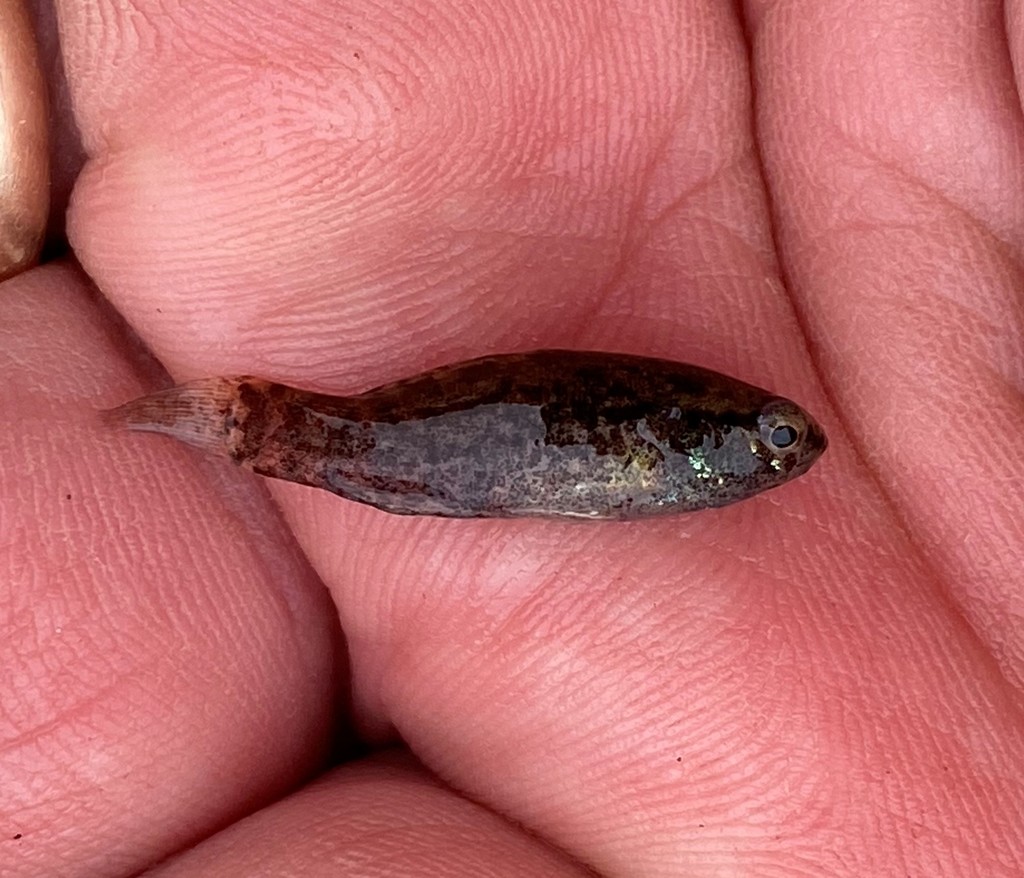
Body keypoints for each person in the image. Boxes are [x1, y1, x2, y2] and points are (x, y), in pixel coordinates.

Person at [3, 2, 1023, 875]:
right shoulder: (689, 439)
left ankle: (232, 416)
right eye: (771, 434)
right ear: (701, 430)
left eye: (775, 435)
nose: (784, 446)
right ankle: (233, 416)